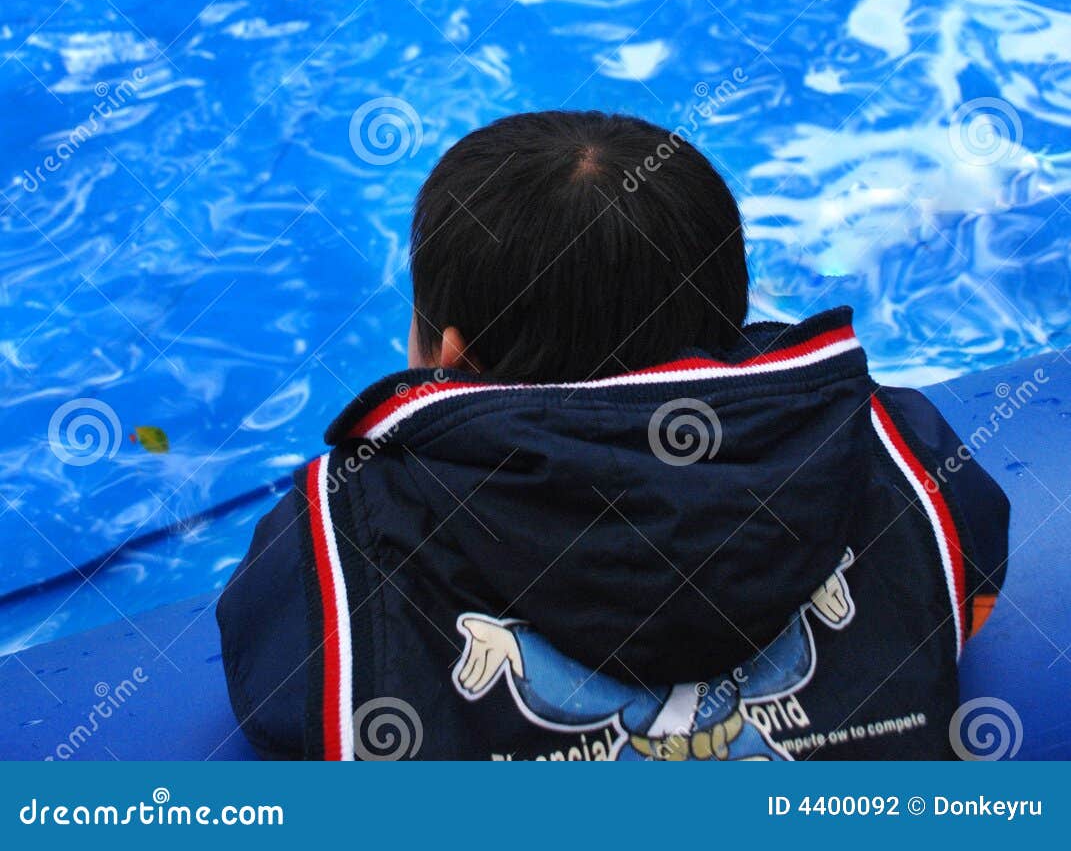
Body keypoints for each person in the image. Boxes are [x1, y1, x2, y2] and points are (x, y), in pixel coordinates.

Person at [217, 110, 1009, 761]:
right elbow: (967, 602)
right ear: (727, 321)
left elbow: (280, 710)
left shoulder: (340, 537)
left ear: (451, 358)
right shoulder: (898, 452)